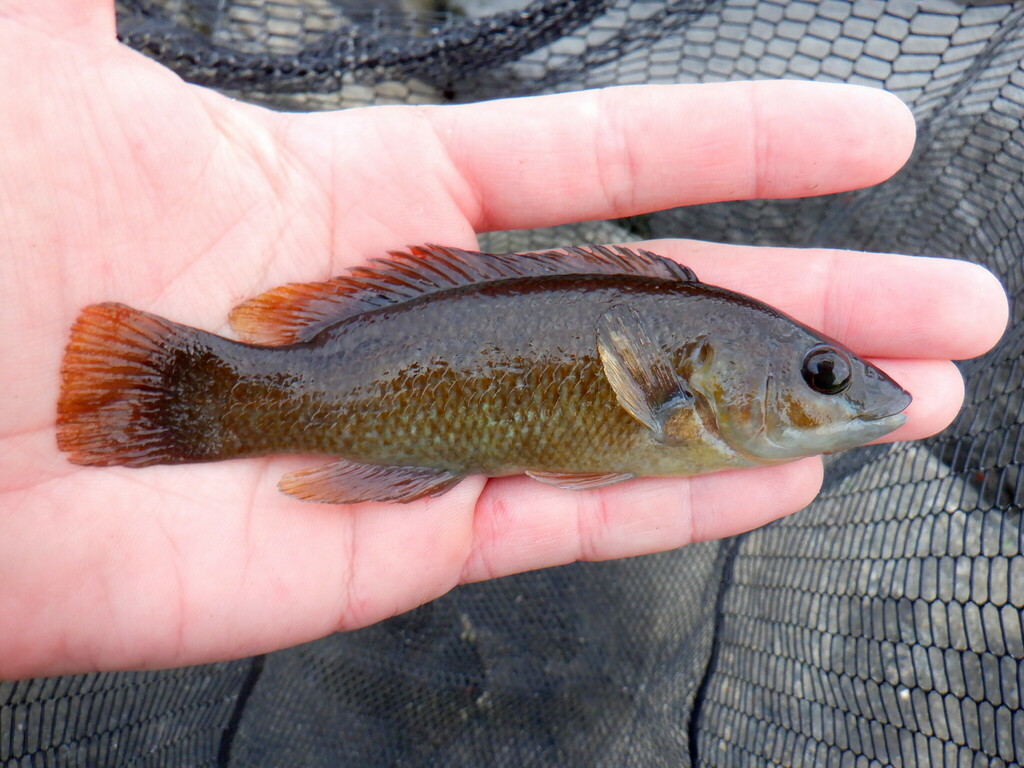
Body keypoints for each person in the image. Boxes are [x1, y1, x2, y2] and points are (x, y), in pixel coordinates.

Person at [0, 0, 1007, 680]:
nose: (845, 393)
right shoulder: (681, 399)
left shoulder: (696, 387)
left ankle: (207, 397)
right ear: (698, 384)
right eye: (820, 373)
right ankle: (208, 394)